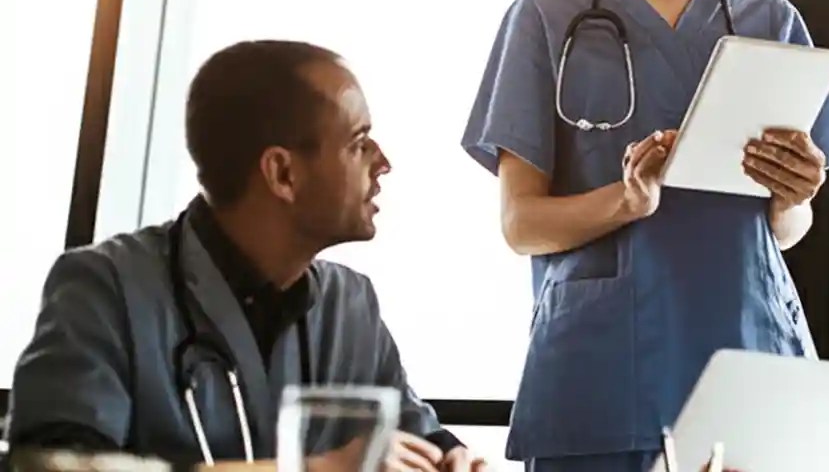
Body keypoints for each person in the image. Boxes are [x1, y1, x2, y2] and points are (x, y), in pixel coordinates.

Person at [461, 0, 829, 471]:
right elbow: (521, 225)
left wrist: (797, 195)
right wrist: (626, 200)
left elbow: (784, 232)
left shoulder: (769, 21)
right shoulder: (545, 17)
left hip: (746, 355)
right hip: (602, 371)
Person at [6, 40, 488, 472]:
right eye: (358, 143)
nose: (383, 163)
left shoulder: (351, 305)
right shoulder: (104, 286)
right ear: (282, 173)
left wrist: (451, 459)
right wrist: (308, 471)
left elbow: (415, 432)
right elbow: (53, 466)